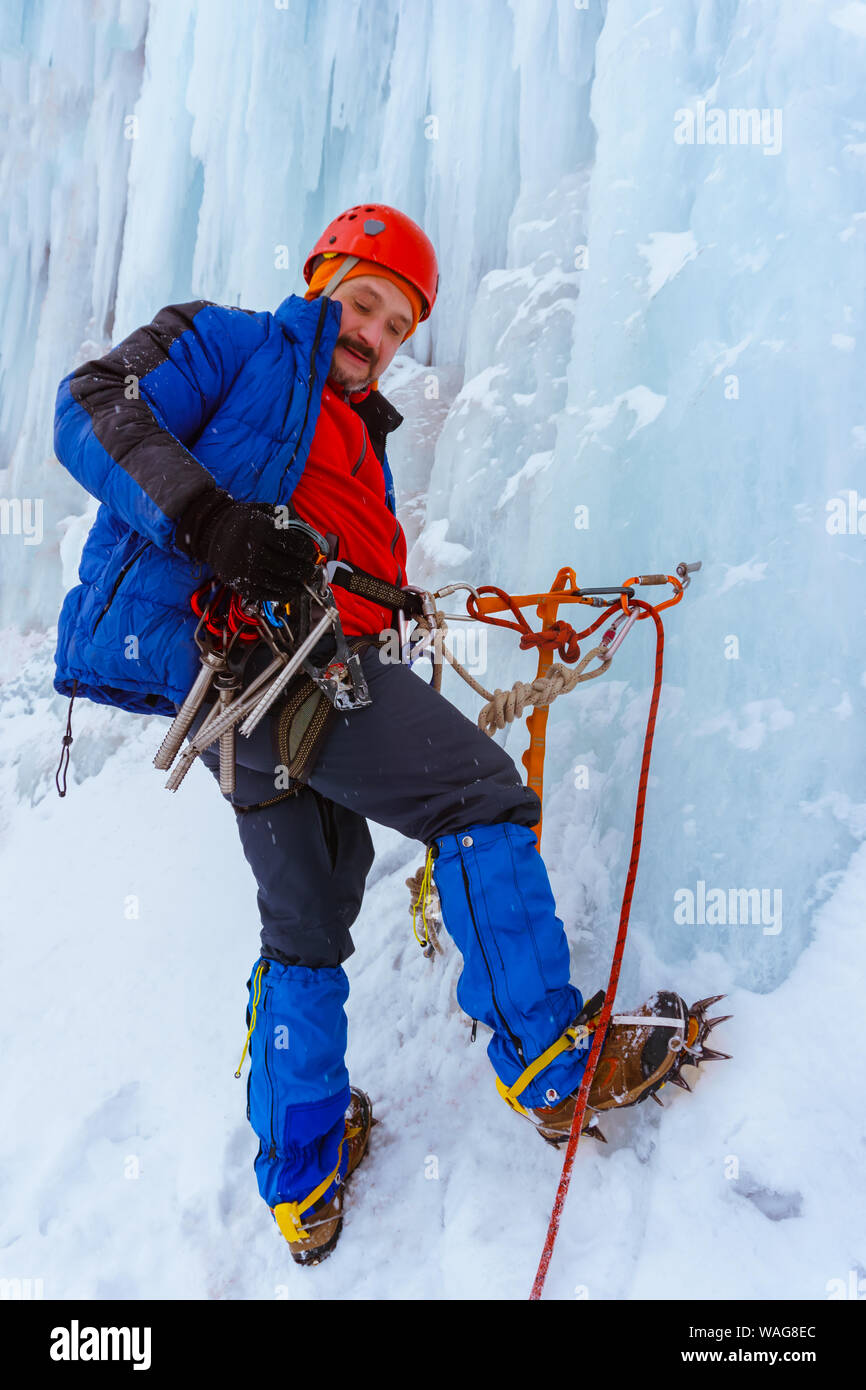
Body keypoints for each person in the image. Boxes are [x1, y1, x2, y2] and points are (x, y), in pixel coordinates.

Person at [53, 204, 721, 1268]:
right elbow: (91, 402)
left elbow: (329, 552)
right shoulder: (231, 342)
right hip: (270, 661)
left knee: (307, 920)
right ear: (320, 276)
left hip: (265, 691)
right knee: (475, 794)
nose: (374, 333)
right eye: (363, 302)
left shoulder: (359, 439)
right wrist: (209, 521)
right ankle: (548, 1055)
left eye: (398, 324)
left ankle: (302, 1176)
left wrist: (391, 602)